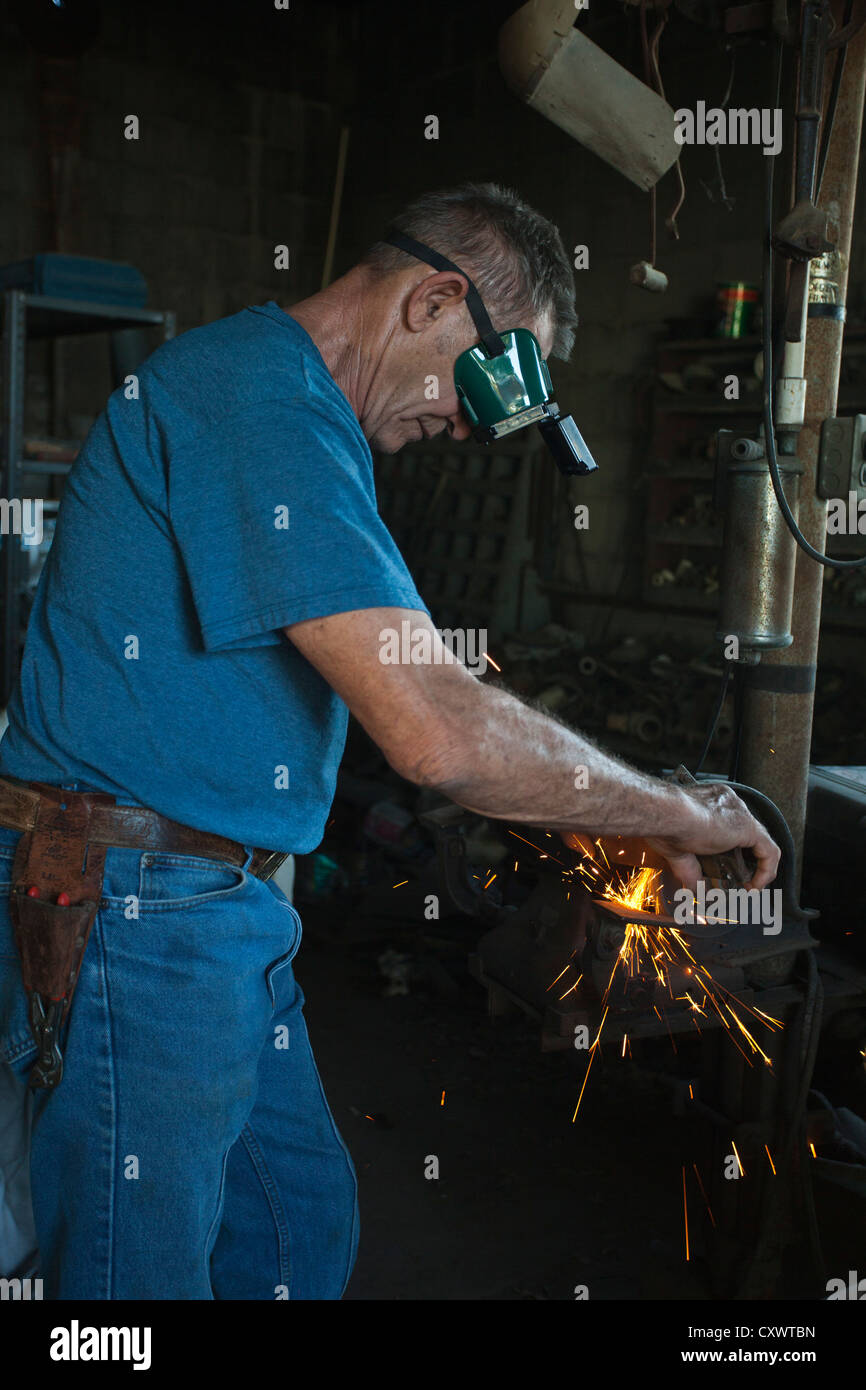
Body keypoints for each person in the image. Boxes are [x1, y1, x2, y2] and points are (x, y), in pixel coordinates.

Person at [0, 182, 779, 1299]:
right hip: (139, 910)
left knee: (293, 1229)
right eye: (483, 387)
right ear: (434, 300)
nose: (467, 427)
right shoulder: (257, 402)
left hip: (216, 910)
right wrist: (673, 808)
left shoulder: (302, 421)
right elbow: (432, 730)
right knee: (135, 1283)